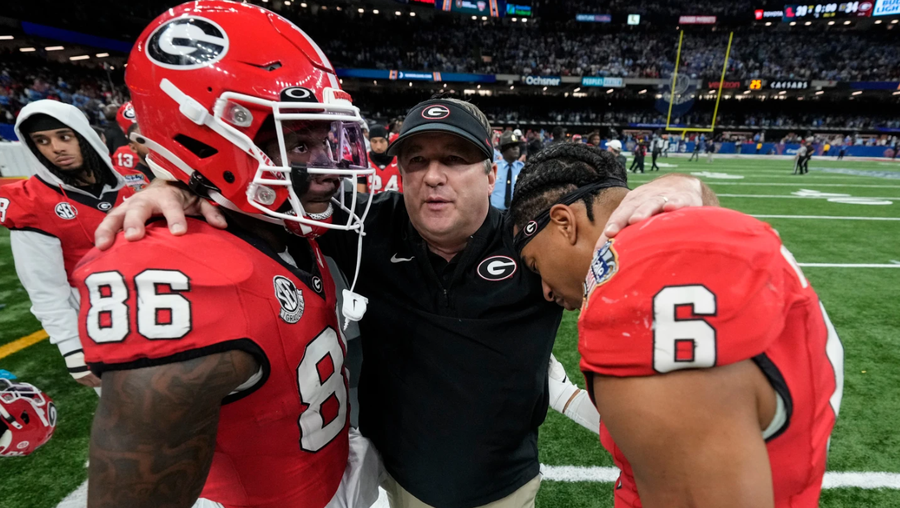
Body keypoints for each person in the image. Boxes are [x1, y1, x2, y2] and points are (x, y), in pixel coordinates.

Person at [94, 94, 717, 508]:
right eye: (416, 160)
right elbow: (257, 205)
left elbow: (647, 234)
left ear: (491, 173)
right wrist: (173, 186)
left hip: (503, 483)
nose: (433, 175)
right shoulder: (365, 226)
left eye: (455, 159)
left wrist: (684, 186)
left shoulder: (532, 241)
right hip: (397, 477)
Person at [74, 3, 380, 507]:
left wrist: (176, 181)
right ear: (208, 138)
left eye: (326, 140)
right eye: (299, 145)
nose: (328, 168)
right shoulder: (177, 276)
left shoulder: (281, 222)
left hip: (328, 475)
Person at [508, 143, 843, 508]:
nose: (545, 290)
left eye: (535, 265)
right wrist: (567, 398)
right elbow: (681, 426)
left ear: (564, 222)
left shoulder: (639, 289)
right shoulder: (700, 230)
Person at [0, 100, 135, 391]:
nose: (56, 148)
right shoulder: (32, 202)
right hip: (101, 323)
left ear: (83, 135)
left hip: (159, 304)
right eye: (42, 141)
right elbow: (45, 287)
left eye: (64, 136)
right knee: (136, 412)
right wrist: (72, 348)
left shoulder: (131, 182)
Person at [360, 124, 402, 194]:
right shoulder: (364, 161)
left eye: (382, 141)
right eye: (374, 141)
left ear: (387, 140)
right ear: (369, 142)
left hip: (397, 200)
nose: (378, 146)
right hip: (372, 201)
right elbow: (360, 196)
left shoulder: (399, 160)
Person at [491, 130, 525, 211]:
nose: (516, 148)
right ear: (504, 149)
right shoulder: (494, 167)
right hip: (495, 211)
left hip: (515, 212)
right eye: (512, 146)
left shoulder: (523, 168)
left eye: (517, 145)